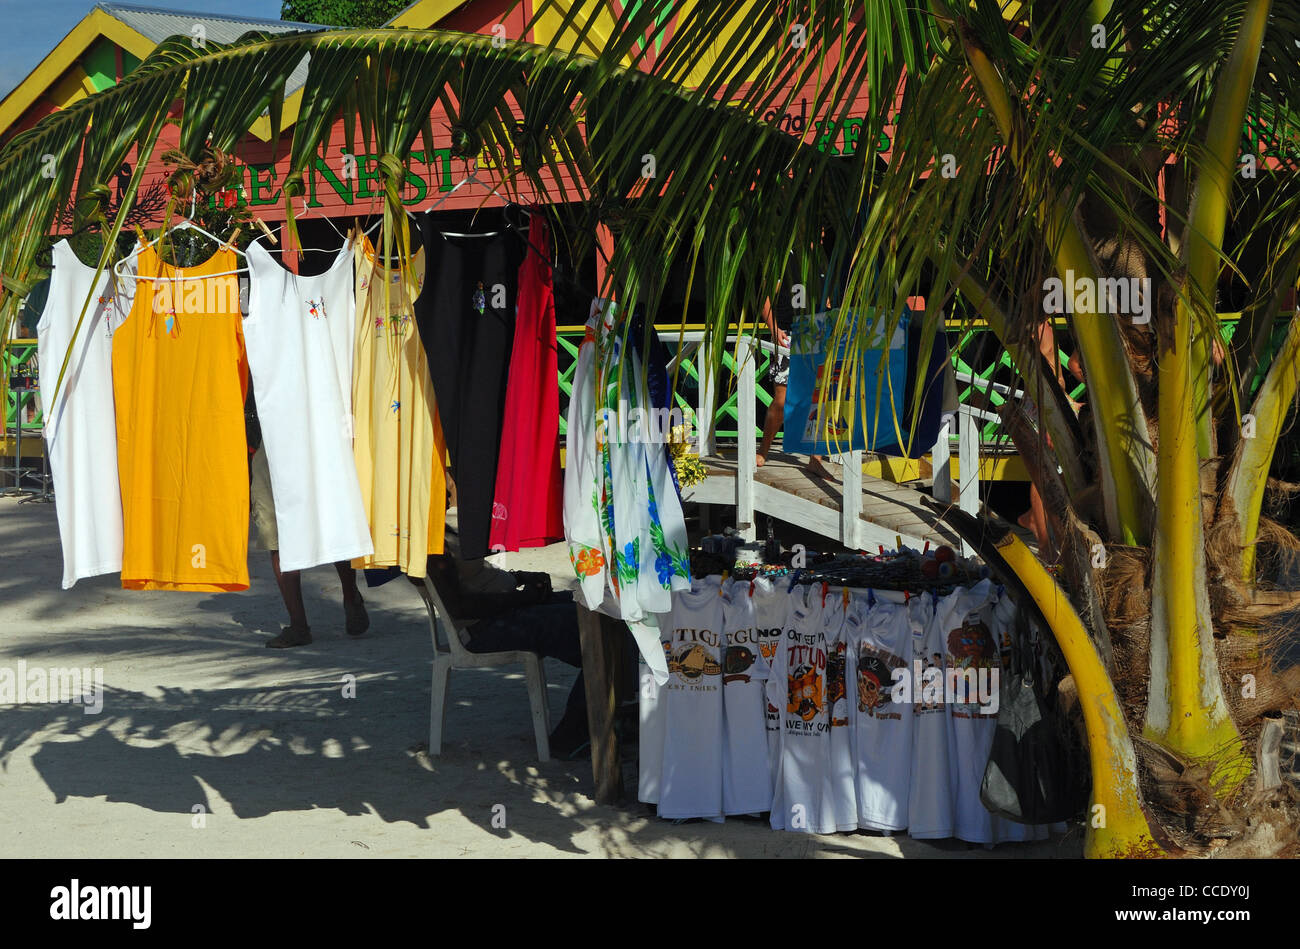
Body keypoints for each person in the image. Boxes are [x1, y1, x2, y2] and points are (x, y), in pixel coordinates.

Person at [414, 524, 604, 758]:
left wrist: (520, 578)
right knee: (595, 632)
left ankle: (603, 715)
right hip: (484, 629)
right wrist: (520, 598)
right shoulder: (428, 542)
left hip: (502, 612)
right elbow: (460, 606)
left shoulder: (441, 527)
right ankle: (575, 732)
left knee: (594, 610)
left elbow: (478, 575)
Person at [246, 387, 369, 648]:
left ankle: (345, 597)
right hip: (275, 438)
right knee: (277, 533)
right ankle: (301, 623)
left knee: (327, 520)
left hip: (312, 428)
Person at [756, 290, 831, 479]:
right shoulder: (779, 260)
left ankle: (816, 460)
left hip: (817, 330)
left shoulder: (821, 260)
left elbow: (829, 295)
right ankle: (763, 449)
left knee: (819, 398)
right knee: (782, 399)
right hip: (787, 332)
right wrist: (773, 327)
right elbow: (763, 295)